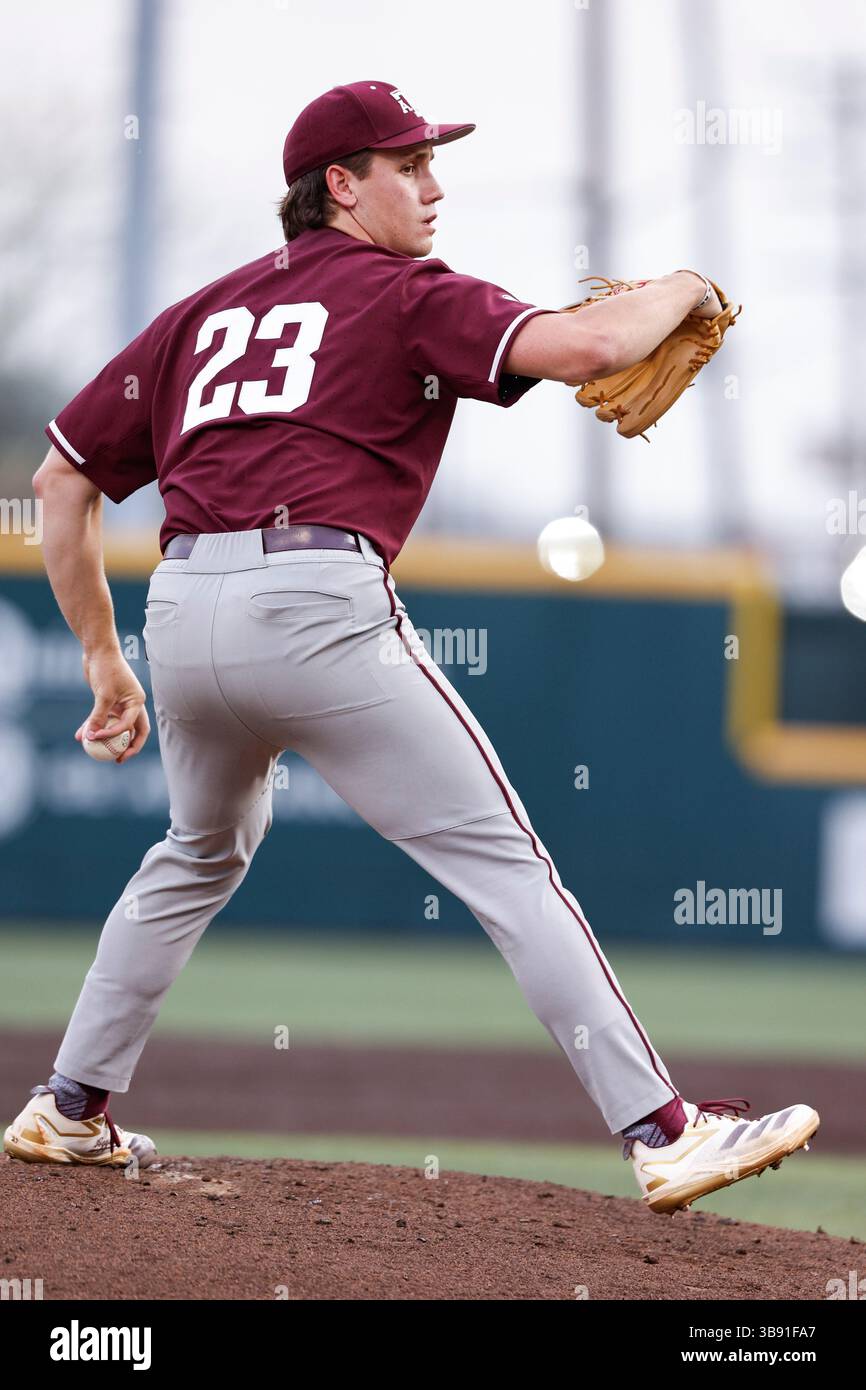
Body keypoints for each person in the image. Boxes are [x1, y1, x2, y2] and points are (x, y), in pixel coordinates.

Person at [4, 81, 818, 1213]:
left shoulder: (199, 315)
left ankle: (68, 1105)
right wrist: (689, 285)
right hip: (317, 603)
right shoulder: (404, 293)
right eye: (406, 166)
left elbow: (59, 481)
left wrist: (102, 659)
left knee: (199, 847)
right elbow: (586, 345)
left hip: (182, 612)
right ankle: (666, 1132)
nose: (432, 189)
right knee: (504, 868)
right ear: (339, 186)